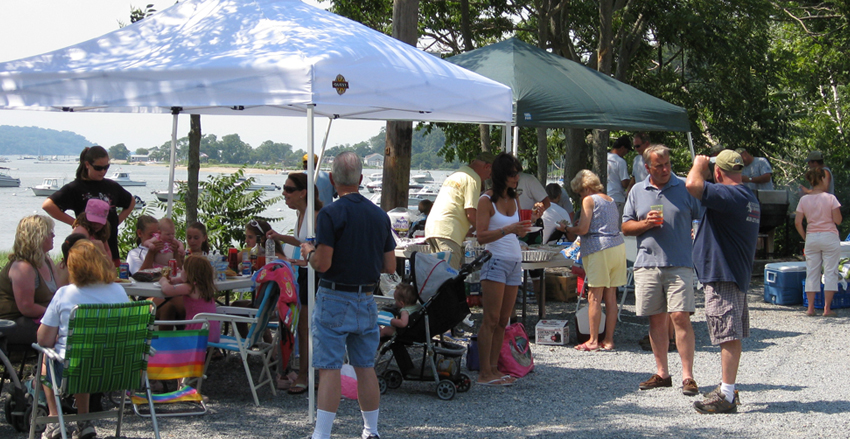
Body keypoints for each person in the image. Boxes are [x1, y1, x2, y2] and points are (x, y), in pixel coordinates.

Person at [299, 151, 395, 439]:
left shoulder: (330, 213)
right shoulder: (379, 215)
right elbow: (389, 266)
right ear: (361, 179)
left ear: (331, 178)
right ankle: (371, 430)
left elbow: (323, 264)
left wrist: (309, 252)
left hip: (334, 296)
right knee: (365, 367)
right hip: (366, 298)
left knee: (329, 368)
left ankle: (322, 434)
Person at [622, 145, 701, 396]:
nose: (665, 169)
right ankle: (662, 373)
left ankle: (688, 376)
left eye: (667, 164)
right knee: (656, 318)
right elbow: (625, 226)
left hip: (679, 262)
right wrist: (645, 224)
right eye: (659, 166)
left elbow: (702, 217)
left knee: (680, 316)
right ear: (647, 168)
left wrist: (695, 230)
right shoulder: (637, 190)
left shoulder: (685, 188)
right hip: (647, 263)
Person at [685, 149, 760, 414]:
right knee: (731, 333)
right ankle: (727, 389)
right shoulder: (747, 197)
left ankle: (726, 395)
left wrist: (698, 165)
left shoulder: (730, 194)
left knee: (726, 334)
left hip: (723, 275)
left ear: (718, 172)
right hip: (732, 274)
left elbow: (693, 185)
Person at [37, 240, 129, 439]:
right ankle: (84, 421)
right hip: (119, 371)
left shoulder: (65, 294)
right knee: (86, 354)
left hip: (76, 370)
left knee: (49, 358)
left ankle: (54, 421)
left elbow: (44, 340)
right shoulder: (119, 291)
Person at [475, 153, 531, 386]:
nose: (516, 178)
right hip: (495, 260)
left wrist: (522, 229)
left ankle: (494, 368)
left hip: (514, 261)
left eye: (518, 173)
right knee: (490, 319)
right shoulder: (486, 201)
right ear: (501, 175)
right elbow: (481, 236)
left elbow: (516, 231)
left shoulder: (515, 199)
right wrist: (509, 229)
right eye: (512, 174)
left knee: (503, 320)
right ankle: (483, 372)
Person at [265, 172, 323, 394]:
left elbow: (319, 252)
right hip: (305, 273)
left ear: (303, 192)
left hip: (315, 276)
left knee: (305, 326)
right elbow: (302, 241)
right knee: (303, 325)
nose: (284, 193)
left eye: (289, 189)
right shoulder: (302, 214)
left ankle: (304, 375)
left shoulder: (316, 216)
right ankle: (305, 371)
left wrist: (297, 260)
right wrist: (280, 237)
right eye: (284, 188)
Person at [43, 146, 135, 265]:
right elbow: (48, 205)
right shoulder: (76, 187)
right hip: (88, 250)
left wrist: (116, 221)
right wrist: (75, 223)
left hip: (110, 247)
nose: (103, 171)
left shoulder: (112, 186)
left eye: (106, 167)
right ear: (87, 164)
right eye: (98, 168)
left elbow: (130, 201)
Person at [567, 170, 626, 352]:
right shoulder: (609, 200)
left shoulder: (589, 200)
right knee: (611, 297)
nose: (580, 196)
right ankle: (608, 340)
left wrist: (568, 228)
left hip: (598, 249)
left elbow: (584, 229)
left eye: (579, 192)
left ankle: (593, 340)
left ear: (585, 188)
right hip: (617, 247)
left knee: (594, 296)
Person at [425, 152, 495, 270]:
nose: (489, 177)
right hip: (449, 232)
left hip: (433, 229)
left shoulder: (459, 173)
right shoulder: (473, 178)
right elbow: (471, 214)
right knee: (449, 278)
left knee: (438, 276)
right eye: (491, 174)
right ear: (487, 166)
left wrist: (470, 229)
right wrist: (489, 231)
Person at [0, 215, 61, 348]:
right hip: (12, 323)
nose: (54, 235)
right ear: (37, 237)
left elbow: (59, 295)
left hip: (41, 317)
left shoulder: (47, 261)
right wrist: (55, 315)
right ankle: (50, 367)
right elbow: (27, 308)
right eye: (49, 232)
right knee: (63, 334)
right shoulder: (23, 267)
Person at [795, 168, 842, 317]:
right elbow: (838, 220)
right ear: (822, 179)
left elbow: (798, 222)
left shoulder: (804, 200)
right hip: (829, 236)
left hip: (812, 237)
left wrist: (805, 237)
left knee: (811, 272)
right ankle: (827, 309)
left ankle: (810, 308)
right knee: (830, 272)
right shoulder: (830, 198)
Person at [159, 254, 221, 342]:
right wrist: (175, 280)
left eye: (183, 270)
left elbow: (167, 290)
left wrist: (163, 281)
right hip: (212, 333)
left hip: (197, 333)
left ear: (189, 274)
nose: (181, 272)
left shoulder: (190, 288)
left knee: (171, 340)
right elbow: (183, 279)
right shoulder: (204, 286)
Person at [607, 136, 631, 224]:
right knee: (616, 227)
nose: (626, 153)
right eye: (627, 151)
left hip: (603, 197)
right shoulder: (620, 161)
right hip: (616, 198)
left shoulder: (602, 157)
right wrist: (632, 180)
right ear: (622, 148)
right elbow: (624, 183)